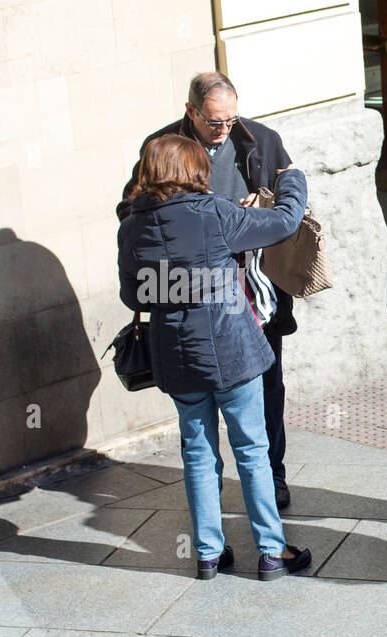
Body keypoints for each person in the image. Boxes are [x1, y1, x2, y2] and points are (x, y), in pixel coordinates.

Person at [117, 135, 312, 581]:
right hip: (228, 348)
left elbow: (134, 294)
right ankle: (270, 551)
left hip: (175, 355)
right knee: (251, 448)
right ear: (193, 171)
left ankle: (208, 553)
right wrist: (292, 180)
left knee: (198, 452)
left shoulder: (131, 226)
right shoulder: (214, 213)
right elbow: (284, 221)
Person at [118, 72, 300, 511]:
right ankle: (263, 543)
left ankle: (263, 491)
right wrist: (213, 224)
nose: (225, 129)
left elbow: (280, 210)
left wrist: (261, 205)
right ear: (191, 112)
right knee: (222, 432)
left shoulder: (260, 137)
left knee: (266, 392)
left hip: (254, 293)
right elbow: (131, 210)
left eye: (231, 120)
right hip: (201, 302)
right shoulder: (160, 148)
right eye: (215, 121)